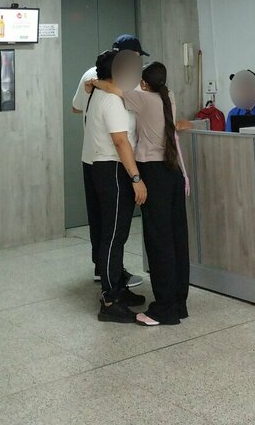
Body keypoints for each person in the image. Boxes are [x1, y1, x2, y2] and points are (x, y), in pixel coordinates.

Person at [93, 61, 189, 326]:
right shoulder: (167, 96)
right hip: (173, 172)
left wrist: (93, 82)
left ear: (144, 84)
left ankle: (164, 309)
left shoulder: (143, 99)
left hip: (154, 173)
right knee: (177, 238)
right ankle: (179, 303)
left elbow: (113, 89)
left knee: (159, 243)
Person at [72, 34, 147, 288]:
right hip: (113, 160)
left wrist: (97, 86)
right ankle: (112, 283)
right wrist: (136, 176)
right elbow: (121, 138)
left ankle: (102, 269)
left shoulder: (91, 76)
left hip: (90, 158)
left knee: (100, 219)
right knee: (115, 226)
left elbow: (75, 107)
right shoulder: (124, 83)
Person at [86, 48, 148, 322]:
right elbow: (121, 141)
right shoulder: (110, 99)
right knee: (113, 234)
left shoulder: (105, 92)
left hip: (110, 167)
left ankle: (118, 290)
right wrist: (136, 178)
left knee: (116, 232)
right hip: (112, 168)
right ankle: (110, 300)